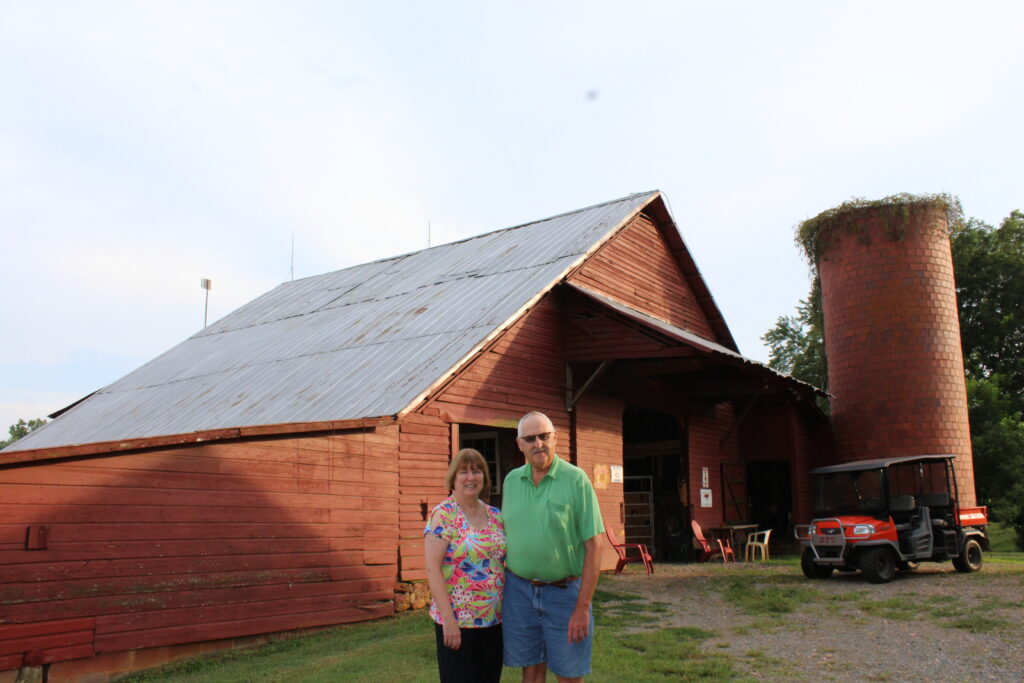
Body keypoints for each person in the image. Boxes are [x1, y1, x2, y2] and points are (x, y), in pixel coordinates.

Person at [501, 411, 604, 683]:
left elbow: (595, 546)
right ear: (519, 444)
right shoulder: (511, 481)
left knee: (569, 674)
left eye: (544, 436)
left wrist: (582, 606)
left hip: (564, 594)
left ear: (555, 438)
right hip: (519, 592)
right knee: (531, 671)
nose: (538, 444)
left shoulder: (576, 480)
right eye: (530, 438)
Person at [424, 448, 506, 683]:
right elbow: (432, 569)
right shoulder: (444, 514)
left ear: (484, 477)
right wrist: (449, 621)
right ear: (454, 478)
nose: (471, 477)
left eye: (477, 470)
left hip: (493, 620)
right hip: (457, 622)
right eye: (464, 472)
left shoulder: (496, 516)